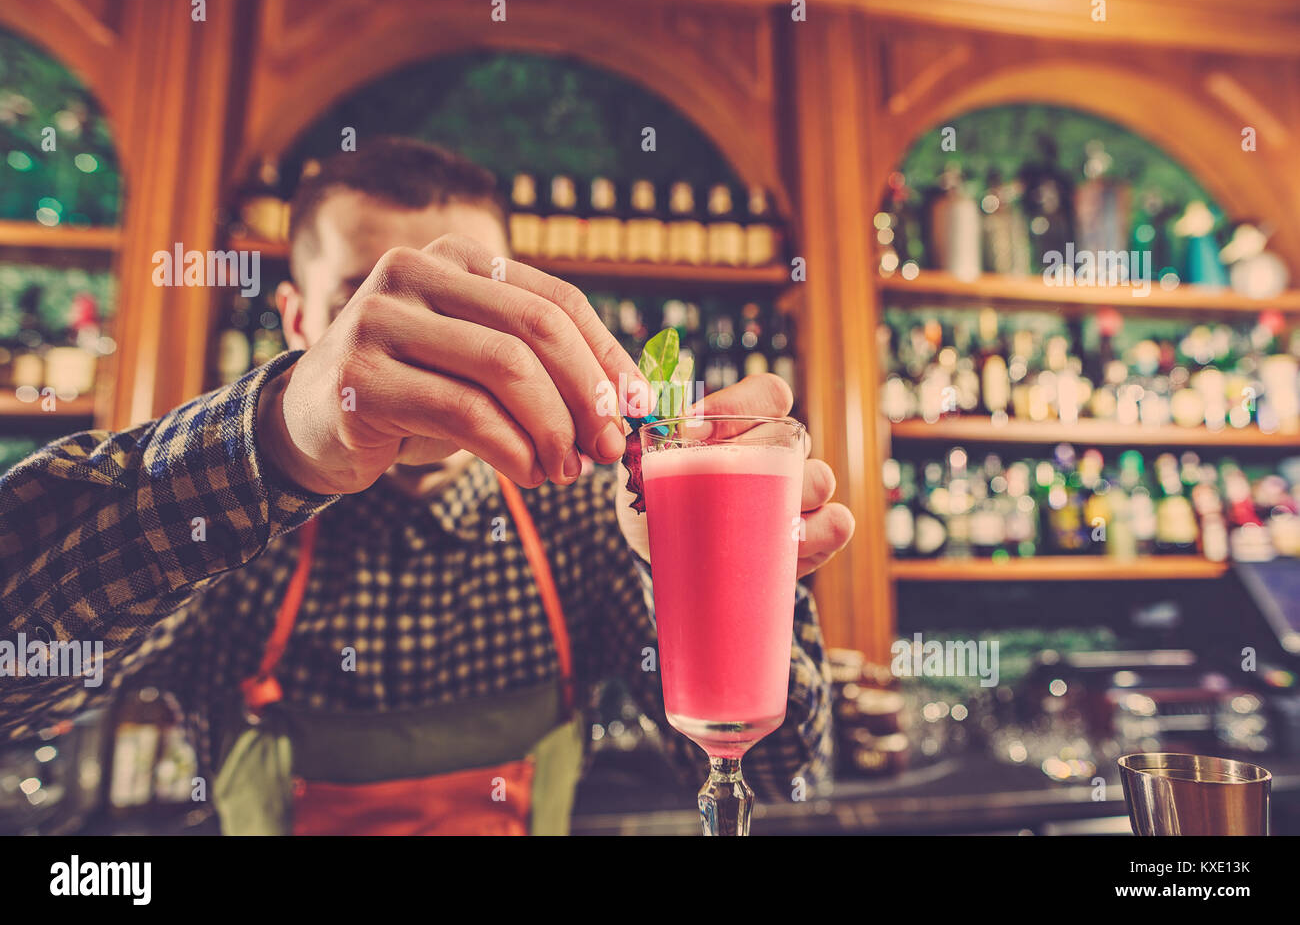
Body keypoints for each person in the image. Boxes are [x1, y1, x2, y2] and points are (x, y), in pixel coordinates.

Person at [0, 138, 854, 834]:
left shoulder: (587, 524)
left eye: (464, 304)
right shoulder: (224, 536)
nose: (432, 345)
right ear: (299, 322)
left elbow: (776, 776)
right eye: (374, 300)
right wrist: (277, 439)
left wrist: (695, 561)